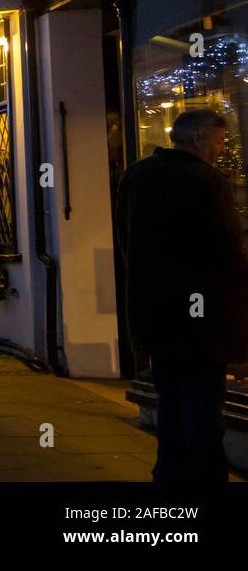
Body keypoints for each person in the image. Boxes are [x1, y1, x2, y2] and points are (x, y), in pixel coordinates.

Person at [118, 110, 248, 482]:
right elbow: (227, 250)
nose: (222, 149)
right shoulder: (207, 181)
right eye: (219, 141)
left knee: (171, 400)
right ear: (198, 139)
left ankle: (169, 474)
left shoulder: (137, 175)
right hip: (203, 318)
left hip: (155, 315)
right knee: (204, 406)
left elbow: (127, 242)